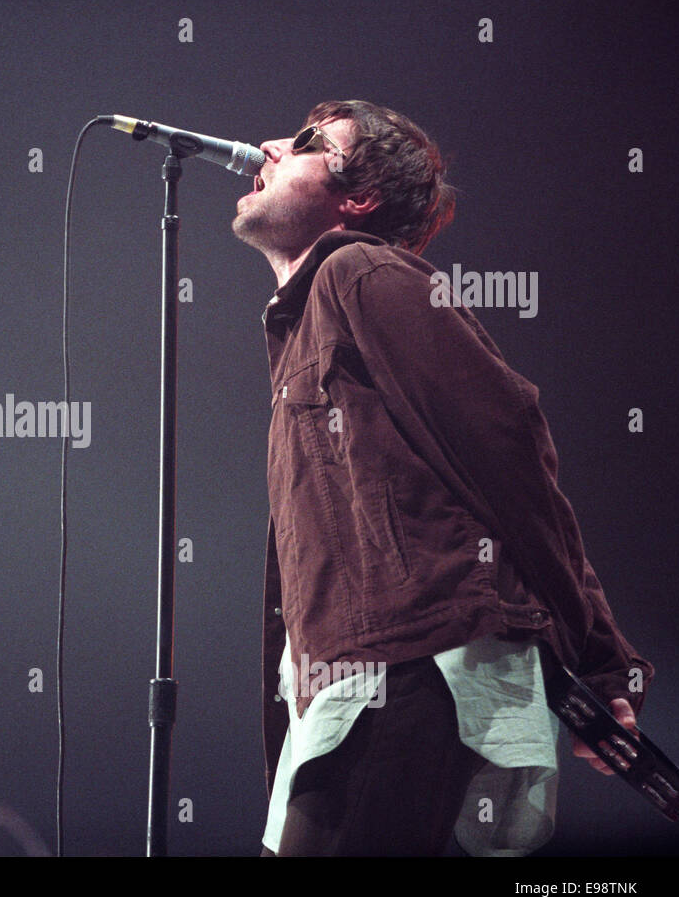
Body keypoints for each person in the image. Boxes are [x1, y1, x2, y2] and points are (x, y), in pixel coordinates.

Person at [231, 99, 653, 856]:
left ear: (358, 198)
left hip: (411, 663)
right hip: (357, 675)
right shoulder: (308, 319)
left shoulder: (363, 272)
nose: (268, 145)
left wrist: (601, 660)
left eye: (305, 142)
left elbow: (508, 450)